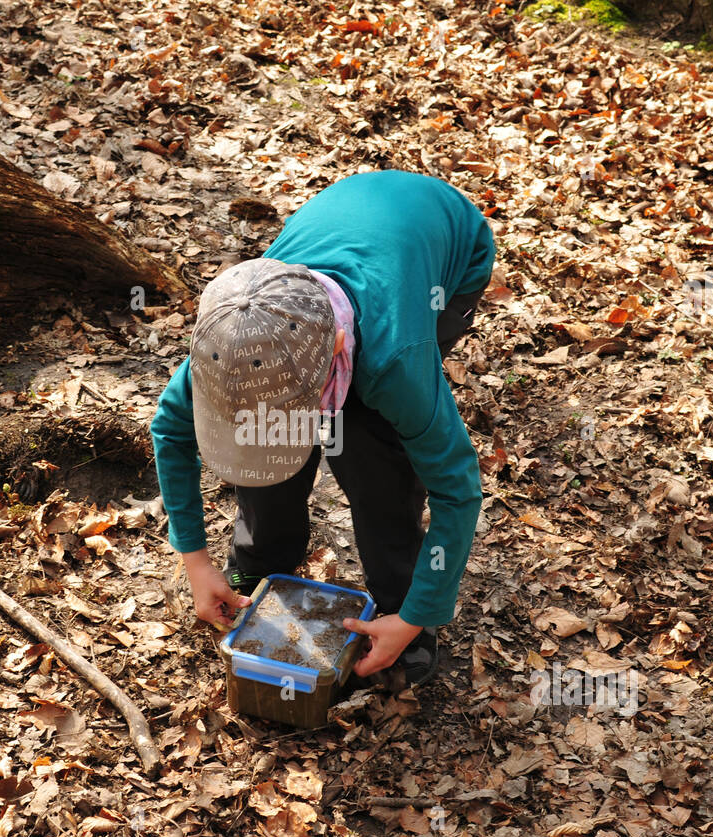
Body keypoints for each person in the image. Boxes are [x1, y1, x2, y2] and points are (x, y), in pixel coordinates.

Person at [150, 170, 495, 686]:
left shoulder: (398, 362)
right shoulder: (235, 336)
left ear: (335, 352)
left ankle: (399, 600)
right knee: (267, 436)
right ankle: (263, 562)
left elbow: (458, 488)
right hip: (348, 220)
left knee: (374, 446)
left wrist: (417, 614)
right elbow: (170, 430)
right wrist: (195, 561)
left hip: (447, 251)